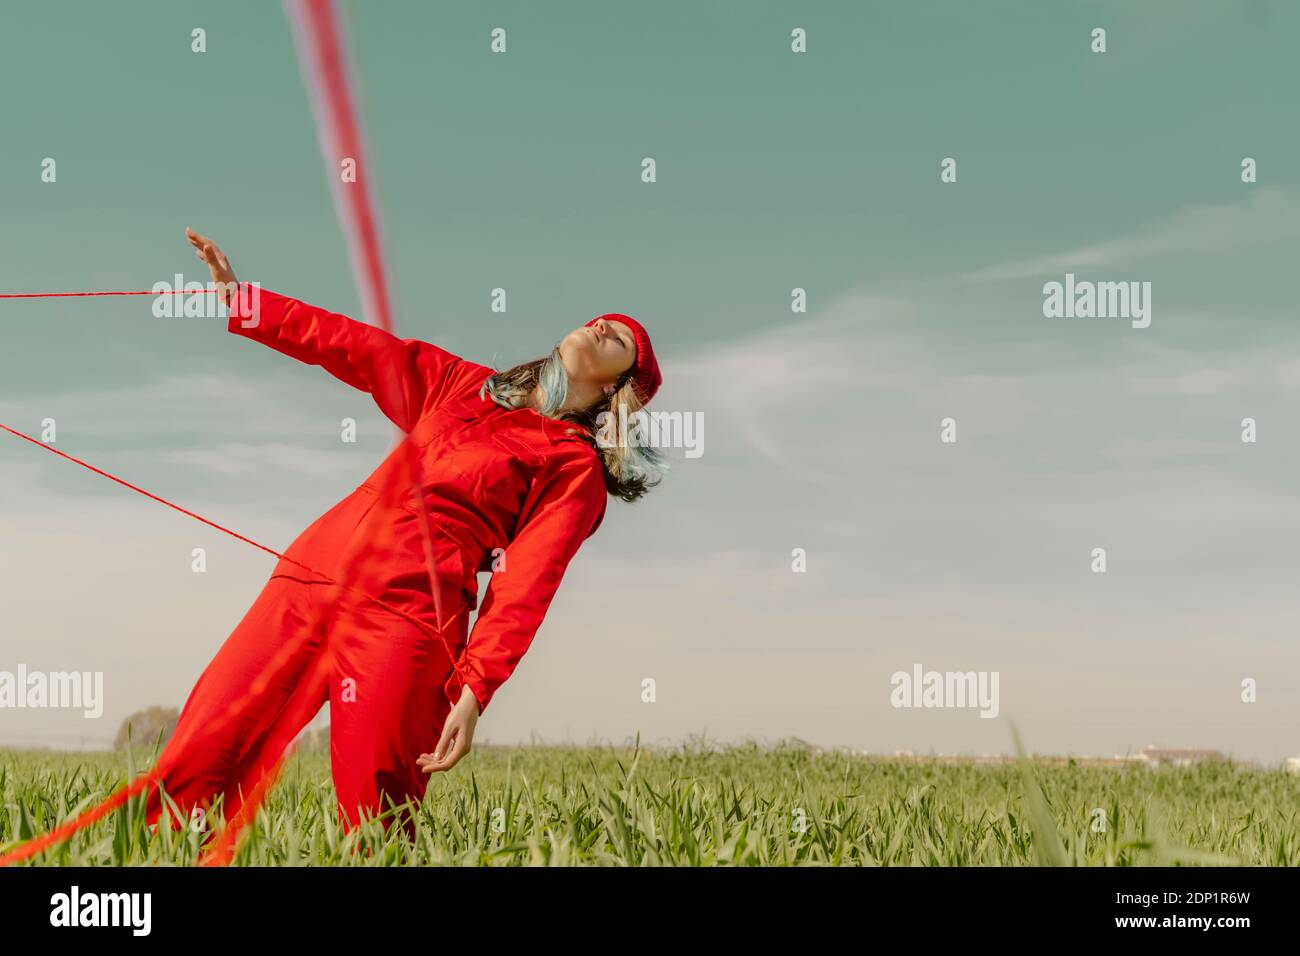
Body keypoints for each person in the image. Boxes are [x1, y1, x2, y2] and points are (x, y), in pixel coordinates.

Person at [143, 228, 664, 839]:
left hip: (409, 617)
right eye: (601, 320)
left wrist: (474, 688)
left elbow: (527, 583)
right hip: (312, 576)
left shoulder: (572, 464)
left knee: (376, 817)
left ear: (616, 386)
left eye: (622, 338)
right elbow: (358, 347)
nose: (604, 327)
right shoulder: (464, 386)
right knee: (203, 754)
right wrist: (245, 302)